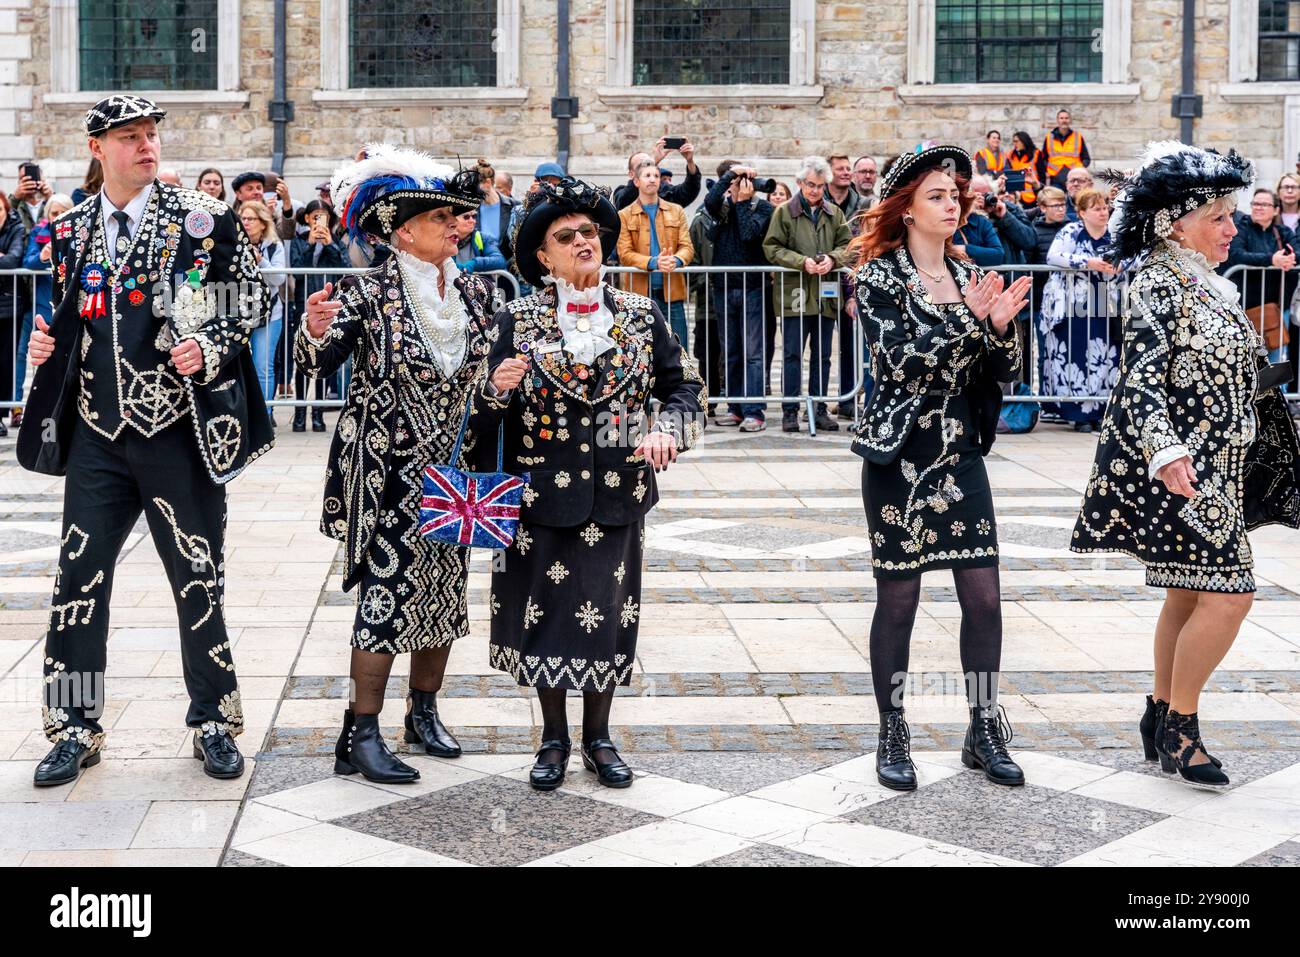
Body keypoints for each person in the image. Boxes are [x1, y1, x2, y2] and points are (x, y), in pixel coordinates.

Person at [17, 94, 273, 787]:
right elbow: (74, 317)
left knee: (198, 576)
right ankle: (74, 724)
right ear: (98, 148)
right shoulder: (68, 230)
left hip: (175, 432)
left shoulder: (203, 218)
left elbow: (252, 298)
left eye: (151, 134)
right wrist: (48, 343)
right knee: (77, 580)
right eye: (129, 137)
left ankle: (213, 717)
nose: (146, 146)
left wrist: (208, 344)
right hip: (99, 433)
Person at [1071, 142, 1300, 790]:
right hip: (1187, 472)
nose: (1233, 229)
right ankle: (1182, 723)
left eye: (1232, 217)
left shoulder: (1207, 281)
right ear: (1177, 221)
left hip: (1224, 465)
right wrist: (1165, 450)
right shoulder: (1156, 283)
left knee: (1187, 591)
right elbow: (1140, 382)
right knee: (1231, 594)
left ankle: (1159, 708)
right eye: (1220, 218)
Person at [476, 177, 705, 791]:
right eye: (565, 236)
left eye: (589, 233)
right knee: (546, 616)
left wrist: (668, 429)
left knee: (607, 615)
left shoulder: (638, 312)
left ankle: (599, 738)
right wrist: (495, 390)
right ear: (542, 257)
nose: (583, 242)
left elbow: (686, 386)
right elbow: (480, 415)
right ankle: (553, 738)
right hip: (539, 493)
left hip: (617, 491)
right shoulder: (516, 318)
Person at [295, 149, 495, 783]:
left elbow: (485, 381)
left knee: (442, 594)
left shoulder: (477, 292)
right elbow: (316, 366)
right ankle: (359, 733)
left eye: (457, 218)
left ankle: (424, 712)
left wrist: (502, 382)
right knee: (383, 598)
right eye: (443, 218)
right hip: (387, 474)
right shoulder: (372, 292)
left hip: (454, 474)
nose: (456, 226)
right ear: (405, 231)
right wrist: (314, 329)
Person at [850, 146, 1031, 791]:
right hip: (901, 455)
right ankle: (892, 728)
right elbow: (901, 362)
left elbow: (1000, 370)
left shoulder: (970, 271)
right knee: (899, 598)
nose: (952, 203)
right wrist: (976, 329)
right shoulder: (877, 278)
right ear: (905, 210)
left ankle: (983, 726)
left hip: (960, 453)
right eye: (936, 195)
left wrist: (1001, 333)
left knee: (984, 597)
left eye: (955, 194)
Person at [763, 156, 852, 433]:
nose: (815, 191)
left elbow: (847, 245)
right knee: (792, 354)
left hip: (825, 293)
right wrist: (800, 261)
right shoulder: (784, 212)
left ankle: (819, 407)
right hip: (795, 292)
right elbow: (772, 247)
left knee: (823, 355)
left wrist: (832, 259)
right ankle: (790, 409)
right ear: (800, 183)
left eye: (819, 186)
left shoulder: (833, 212)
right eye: (810, 185)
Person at [1039, 188, 1127, 431]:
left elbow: (1133, 258)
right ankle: (1077, 414)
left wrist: (1120, 266)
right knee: (1075, 354)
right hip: (1072, 305)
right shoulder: (1071, 231)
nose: (1103, 212)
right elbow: (1053, 257)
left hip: (1105, 304)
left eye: (1105, 207)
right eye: (1097, 208)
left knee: (1104, 354)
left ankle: (1100, 411)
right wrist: (1088, 263)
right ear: (1082, 213)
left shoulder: (1115, 234)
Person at [705, 161, 775, 431]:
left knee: (753, 353)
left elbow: (748, 234)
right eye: (737, 180)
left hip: (753, 289)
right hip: (723, 288)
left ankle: (754, 411)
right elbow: (710, 199)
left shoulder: (764, 208)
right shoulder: (720, 207)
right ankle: (734, 407)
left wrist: (744, 202)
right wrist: (731, 176)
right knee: (731, 352)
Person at [616, 162, 695, 347]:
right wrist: (653, 262)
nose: (653, 179)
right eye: (647, 175)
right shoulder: (624, 215)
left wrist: (675, 260)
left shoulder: (676, 211)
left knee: (678, 347)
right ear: (636, 181)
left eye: (656, 176)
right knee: (641, 347)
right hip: (639, 294)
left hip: (671, 292)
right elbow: (624, 253)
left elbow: (687, 247)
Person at [15, 193, 73, 429]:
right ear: (47, 215)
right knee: (30, 358)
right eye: (54, 213)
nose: (58, 217)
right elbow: (27, 262)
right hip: (41, 307)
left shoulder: (78, 232)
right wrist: (43, 255)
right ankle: (27, 408)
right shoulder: (40, 235)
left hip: (67, 310)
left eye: (62, 212)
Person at [289, 198, 347, 432]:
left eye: (323, 216)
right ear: (307, 218)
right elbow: (296, 269)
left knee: (324, 356)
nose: (319, 221)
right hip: (303, 304)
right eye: (315, 216)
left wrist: (330, 244)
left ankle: (318, 414)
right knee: (302, 358)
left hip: (328, 306)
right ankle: (300, 413)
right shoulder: (299, 241)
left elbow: (344, 267)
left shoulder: (336, 242)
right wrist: (311, 244)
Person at [1221, 188, 1298, 362]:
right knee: (1244, 359)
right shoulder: (1241, 227)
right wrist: (1272, 259)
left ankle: (1279, 391)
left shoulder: (1282, 232)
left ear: (1276, 210)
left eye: (1264, 204)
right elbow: (1236, 255)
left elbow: (1297, 250)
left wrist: (1291, 258)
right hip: (1244, 306)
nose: (1258, 208)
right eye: (1255, 203)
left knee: (1277, 360)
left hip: (1276, 306)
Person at [236, 199, 287, 422]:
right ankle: (243, 414)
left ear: (263, 223)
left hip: (269, 313)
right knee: (238, 367)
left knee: (263, 367)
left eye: (250, 219)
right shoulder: (232, 244)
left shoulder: (275, 246)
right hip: (238, 313)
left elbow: (279, 278)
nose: (246, 223)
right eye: (243, 218)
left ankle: (263, 416)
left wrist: (260, 261)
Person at [0, 191, 29, 436]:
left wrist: (5, 258)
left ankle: (4, 411)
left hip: (9, 306)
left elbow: (12, 260)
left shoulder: (16, 227)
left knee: (7, 361)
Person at [612, 138, 701, 210]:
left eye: (649, 163)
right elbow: (625, 201)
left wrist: (690, 161)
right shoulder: (621, 193)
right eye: (642, 165)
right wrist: (653, 162)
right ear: (631, 174)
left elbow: (688, 192)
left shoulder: (664, 191)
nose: (648, 168)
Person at [951, 176, 1006, 267]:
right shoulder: (947, 217)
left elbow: (998, 255)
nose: (982, 198)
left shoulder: (982, 222)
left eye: (986, 194)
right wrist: (968, 208)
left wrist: (965, 249)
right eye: (976, 193)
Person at [1043, 108, 1090, 189]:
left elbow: (1086, 159)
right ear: (1057, 120)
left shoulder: (1077, 136)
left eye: (1066, 118)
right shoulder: (1049, 137)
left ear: (1070, 120)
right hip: (1055, 178)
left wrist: (1080, 170)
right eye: (1061, 118)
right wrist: (1047, 171)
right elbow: (1043, 159)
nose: (1064, 120)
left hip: (1075, 180)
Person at [1007, 131, 1042, 208]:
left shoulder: (1036, 154)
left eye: (1016, 141)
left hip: (1033, 194)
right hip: (1018, 196)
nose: (1014, 144)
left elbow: (1042, 175)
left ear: (1024, 141)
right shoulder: (1011, 155)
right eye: (1013, 142)